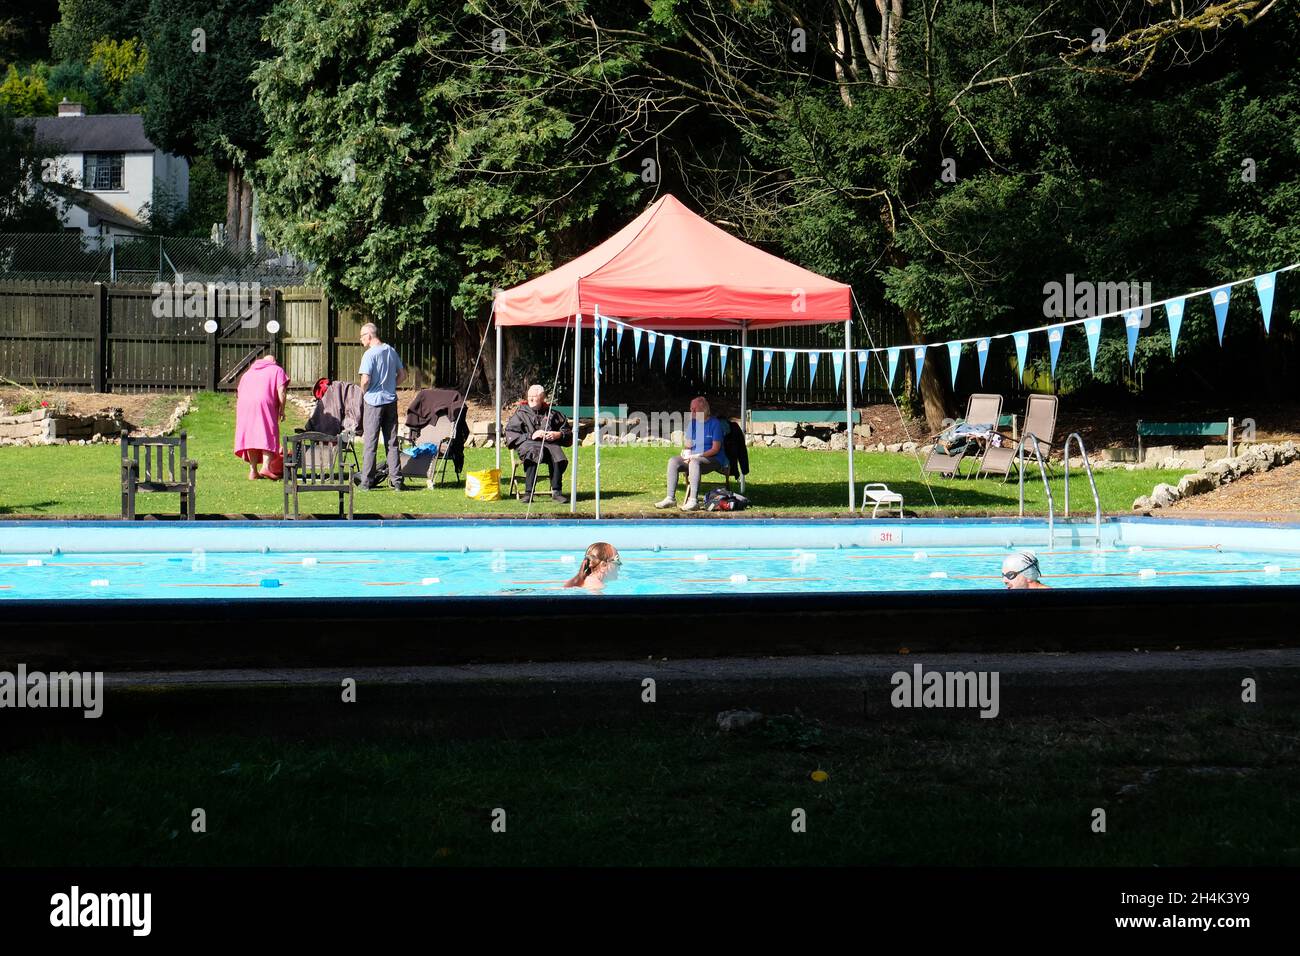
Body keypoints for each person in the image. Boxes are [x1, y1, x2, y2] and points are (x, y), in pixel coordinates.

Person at [656, 396, 730, 512]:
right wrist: (686, 452)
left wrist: (697, 456)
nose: (692, 412)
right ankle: (670, 498)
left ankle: (693, 501)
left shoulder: (715, 424)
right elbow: (688, 445)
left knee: (695, 462)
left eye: (695, 409)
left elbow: (715, 449)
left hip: (712, 459)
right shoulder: (693, 424)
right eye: (691, 409)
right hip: (694, 458)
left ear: (704, 409)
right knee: (673, 461)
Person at [357, 322, 407, 490]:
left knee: (370, 442)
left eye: (362, 336)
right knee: (392, 442)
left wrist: (364, 392)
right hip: (390, 400)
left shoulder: (369, 355)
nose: (361, 340)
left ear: (369, 336)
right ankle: (397, 481)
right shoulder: (391, 351)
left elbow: (365, 380)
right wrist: (391, 386)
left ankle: (366, 482)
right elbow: (403, 375)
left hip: (373, 402)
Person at [504, 384, 572, 503]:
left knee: (557, 454)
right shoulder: (521, 413)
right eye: (529, 396)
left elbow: (567, 431)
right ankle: (528, 493)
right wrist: (531, 435)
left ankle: (557, 492)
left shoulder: (552, 413)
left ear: (542, 398)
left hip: (549, 446)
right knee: (532, 453)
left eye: (534, 396)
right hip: (528, 445)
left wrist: (558, 435)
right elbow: (511, 434)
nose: (530, 399)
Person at [233, 351, 288, 480]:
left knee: (251, 435)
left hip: (244, 405)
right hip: (263, 403)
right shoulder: (276, 370)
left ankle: (253, 471)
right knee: (268, 432)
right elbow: (282, 392)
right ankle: (265, 467)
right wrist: (282, 410)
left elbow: (239, 392)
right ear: (273, 362)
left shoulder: (248, 373)